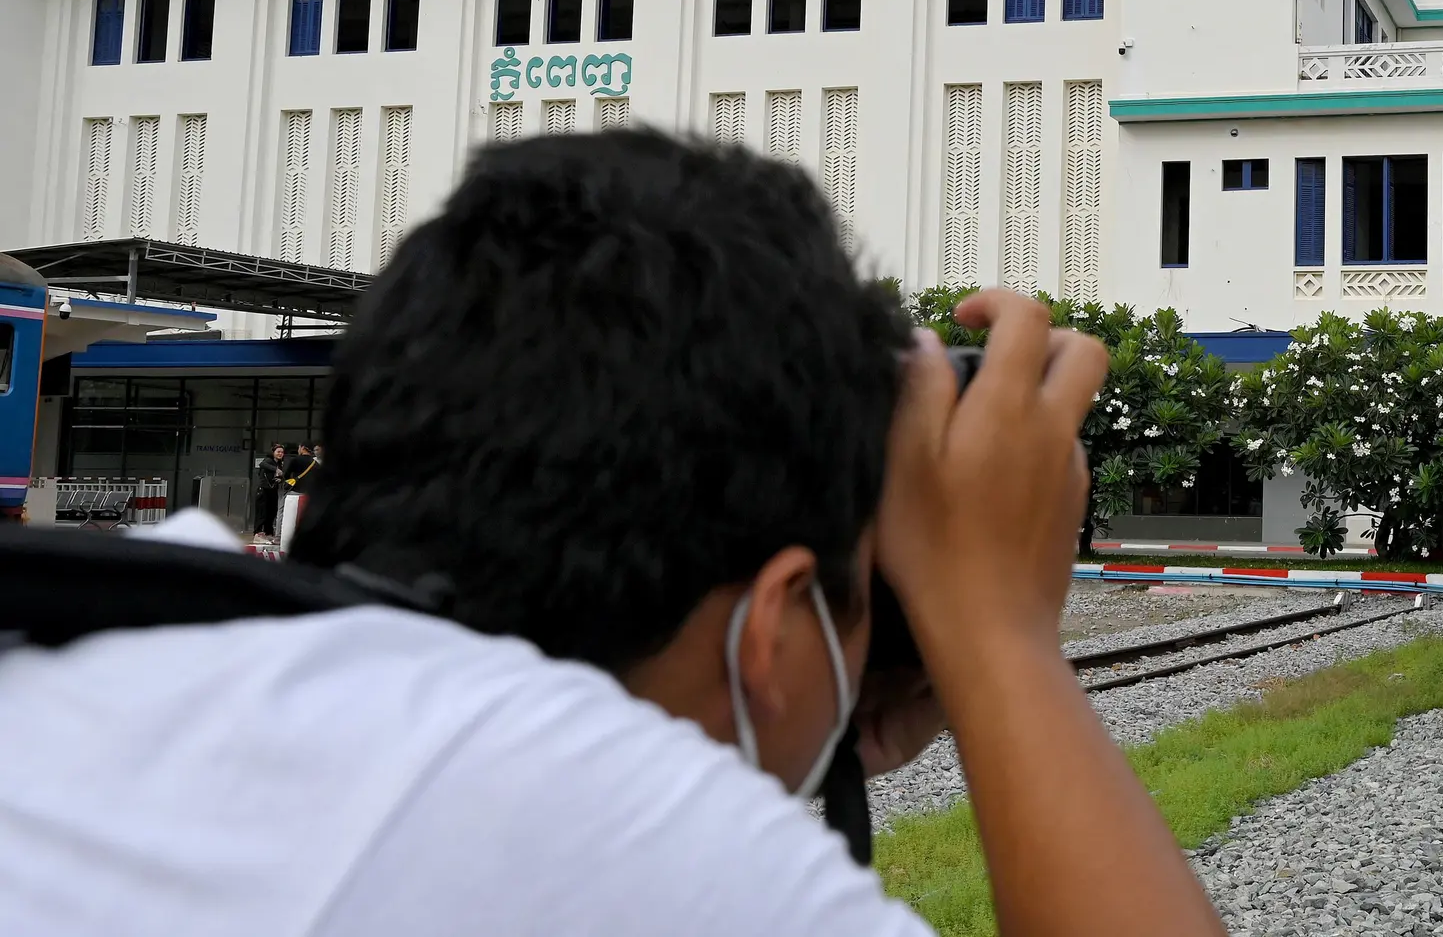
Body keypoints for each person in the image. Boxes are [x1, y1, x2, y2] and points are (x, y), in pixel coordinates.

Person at [0, 130, 1227, 937]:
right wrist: (997, 639)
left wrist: (823, 694)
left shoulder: (118, 633)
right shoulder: (558, 809)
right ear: (775, 622)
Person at [247, 442, 286, 536]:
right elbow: (262, 464)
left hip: (273, 490)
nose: (280, 454)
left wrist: (279, 479)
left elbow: (281, 477)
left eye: (282, 452)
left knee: (272, 512)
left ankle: (269, 533)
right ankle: (258, 533)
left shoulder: (280, 463)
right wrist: (275, 470)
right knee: (262, 513)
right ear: (273, 452)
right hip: (264, 490)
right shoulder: (268, 460)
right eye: (278, 452)